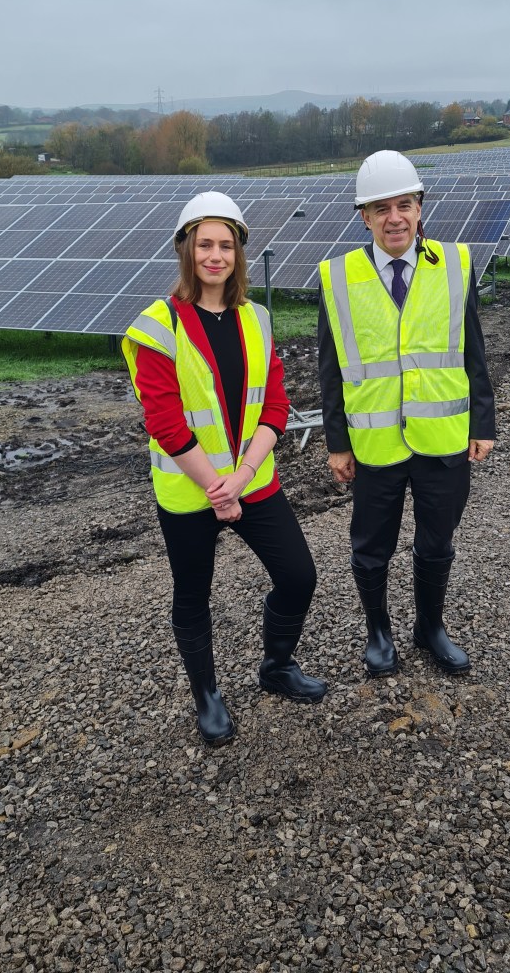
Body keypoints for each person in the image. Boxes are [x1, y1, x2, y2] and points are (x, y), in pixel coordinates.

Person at [123, 192, 327, 746]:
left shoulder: (256, 318)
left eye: (226, 245)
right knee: (192, 596)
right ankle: (207, 697)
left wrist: (241, 478)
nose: (216, 256)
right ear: (186, 250)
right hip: (190, 495)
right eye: (204, 244)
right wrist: (217, 488)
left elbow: (276, 405)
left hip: (252, 483)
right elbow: (164, 422)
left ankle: (276, 666)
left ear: (238, 252)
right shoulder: (156, 326)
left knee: (298, 577)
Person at [317, 151, 495, 677]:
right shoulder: (337, 278)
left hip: (443, 439)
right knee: (372, 547)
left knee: (437, 542)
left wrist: (482, 423)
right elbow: (331, 372)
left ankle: (430, 627)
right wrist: (337, 443)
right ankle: (378, 632)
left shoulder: (456, 265)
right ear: (364, 217)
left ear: (420, 208)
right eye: (380, 208)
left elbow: (473, 352)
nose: (394, 217)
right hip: (374, 447)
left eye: (404, 204)